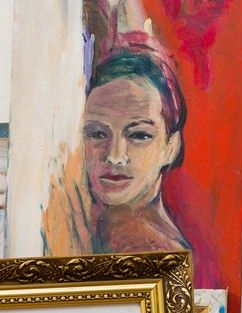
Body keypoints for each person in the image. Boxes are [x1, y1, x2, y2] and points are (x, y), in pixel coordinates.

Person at [81, 45, 189, 253]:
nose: (115, 156)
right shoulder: (86, 229)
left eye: (139, 135)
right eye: (97, 134)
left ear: (171, 147)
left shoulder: (160, 252)